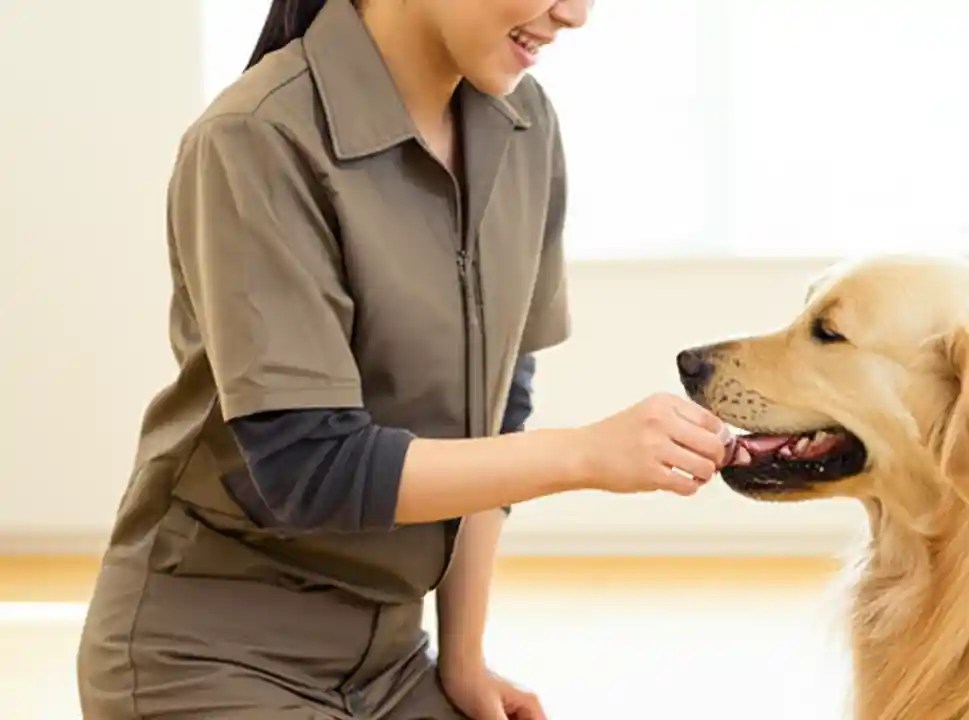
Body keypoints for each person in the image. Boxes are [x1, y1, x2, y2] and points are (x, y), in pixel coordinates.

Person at [75, 1, 729, 718]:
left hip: (390, 664)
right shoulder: (255, 136)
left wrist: (464, 660)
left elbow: (496, 409)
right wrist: (584, 455)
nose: (574, 14)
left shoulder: (524, 123)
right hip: (208, 662)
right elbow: (308, 467)